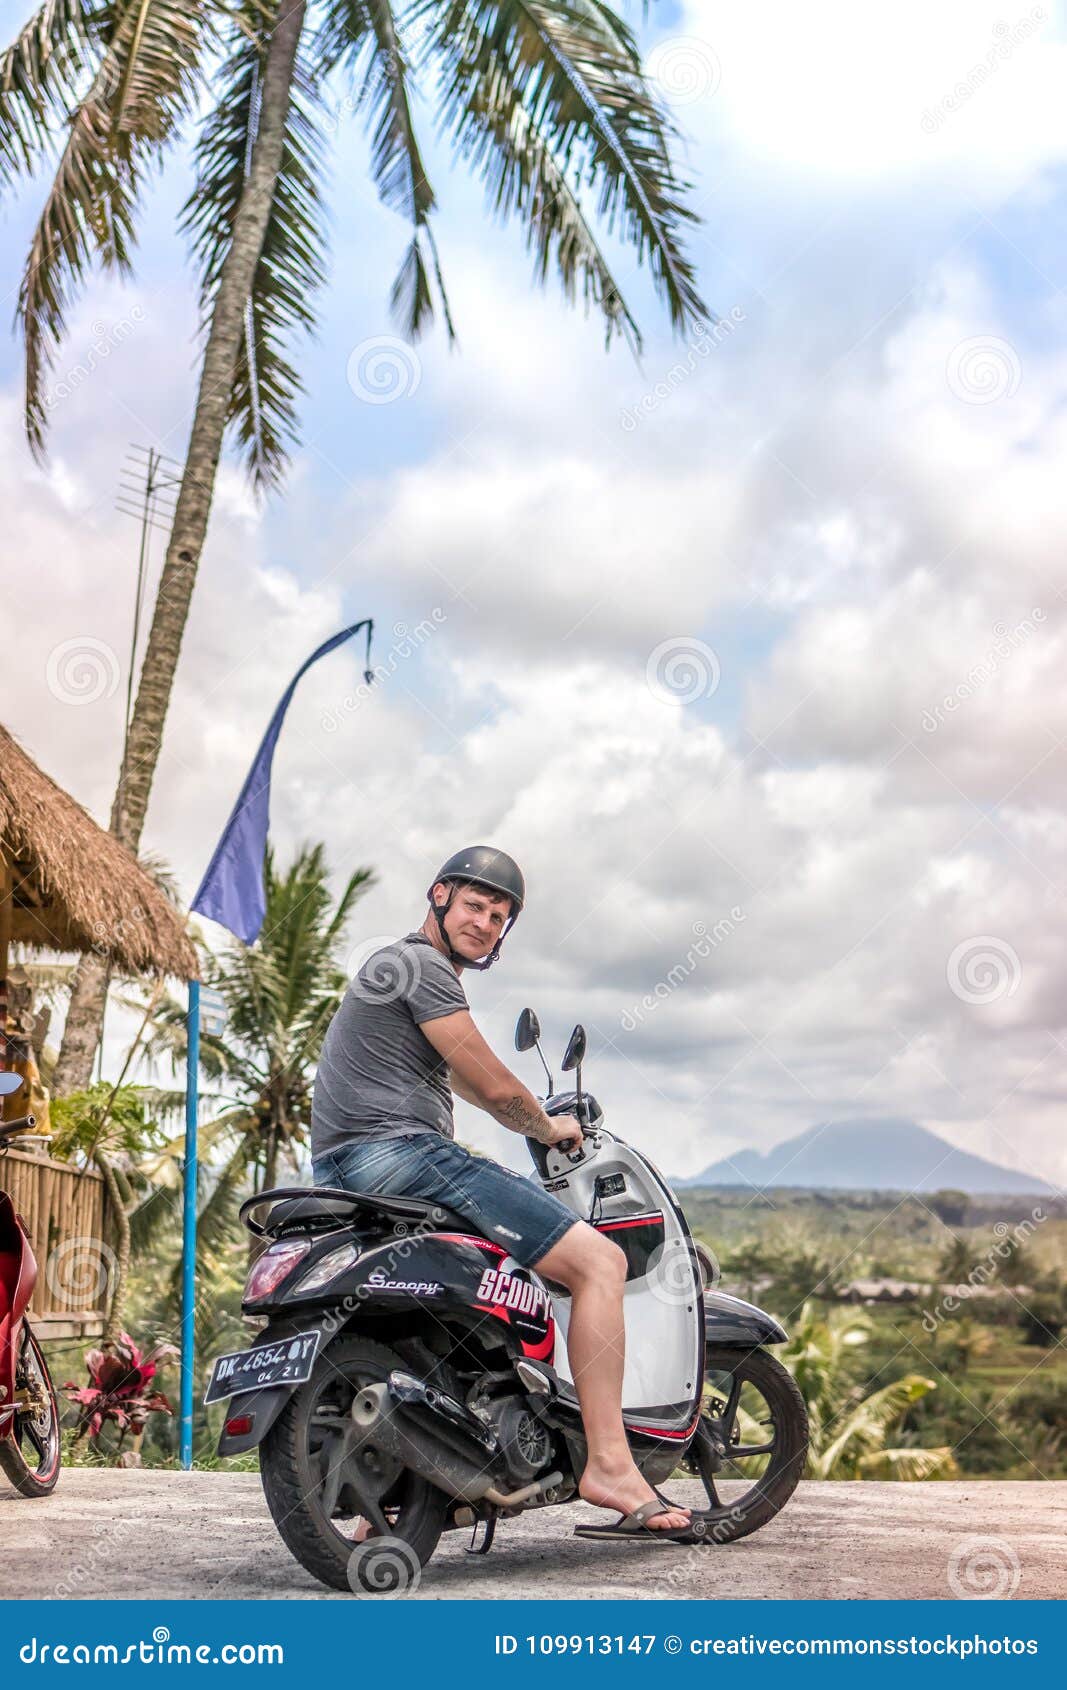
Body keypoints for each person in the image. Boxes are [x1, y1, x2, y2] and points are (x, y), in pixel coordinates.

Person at [311, 846, 691, 1533]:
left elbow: (460, 1074)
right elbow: (492, 1086)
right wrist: (549, 1128)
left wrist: (521, 1113)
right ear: (438, 897)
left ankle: (402, 1495)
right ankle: (608, 1463)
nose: (485, 924)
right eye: (474, 907)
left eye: (499, 916)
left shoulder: (396, 971)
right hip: (399, 1155)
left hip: (340, 1167)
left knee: (458, 1300)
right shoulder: (424, 967)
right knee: (598, 1263)